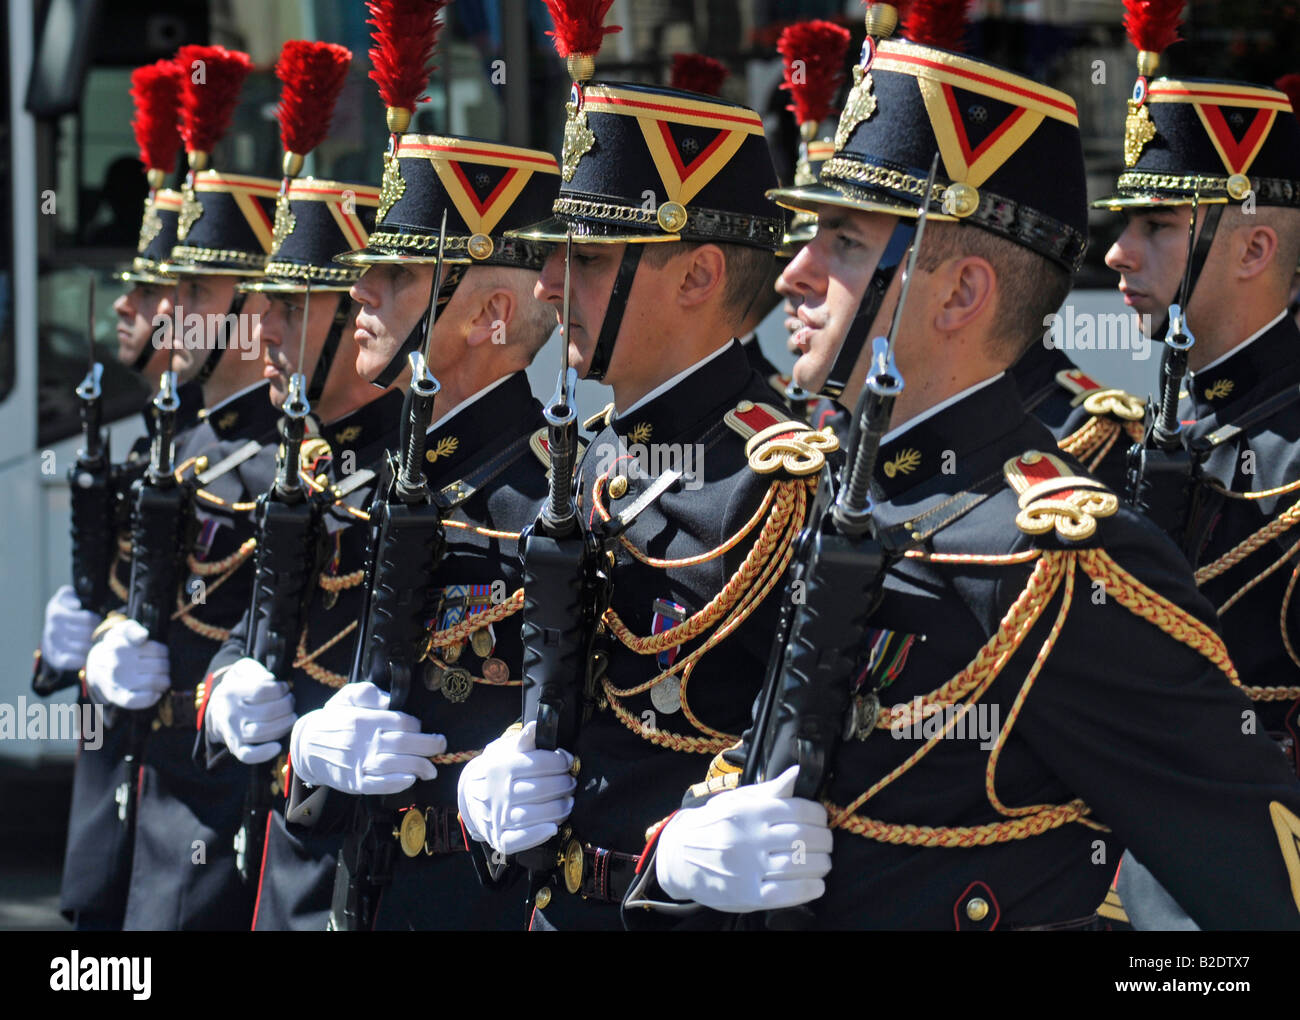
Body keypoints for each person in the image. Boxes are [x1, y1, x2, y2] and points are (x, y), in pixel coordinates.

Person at [620, 7, 1300, 930]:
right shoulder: (839, 500)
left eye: (848, 244)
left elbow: (1260, 895)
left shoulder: (1061, 562)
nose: (793, 273)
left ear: (964, 294)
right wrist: (678, 867)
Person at [454, 1, 831, 931]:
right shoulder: (591, 461)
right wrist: (495, 772)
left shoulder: (780, 479)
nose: (545, 285)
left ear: (698, 277)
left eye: (585, 258)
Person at [283, 16, 563, 930]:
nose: (358, 292)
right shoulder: (361, 474)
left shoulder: (547, 497)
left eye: (396, 276)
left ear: (488, 315)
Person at [84, 44, 282, 930]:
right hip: (141, 810)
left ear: (254, 305)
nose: (165, 313)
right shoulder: (182, 439)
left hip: (215, 821)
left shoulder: (287, 461)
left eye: (193, 287)